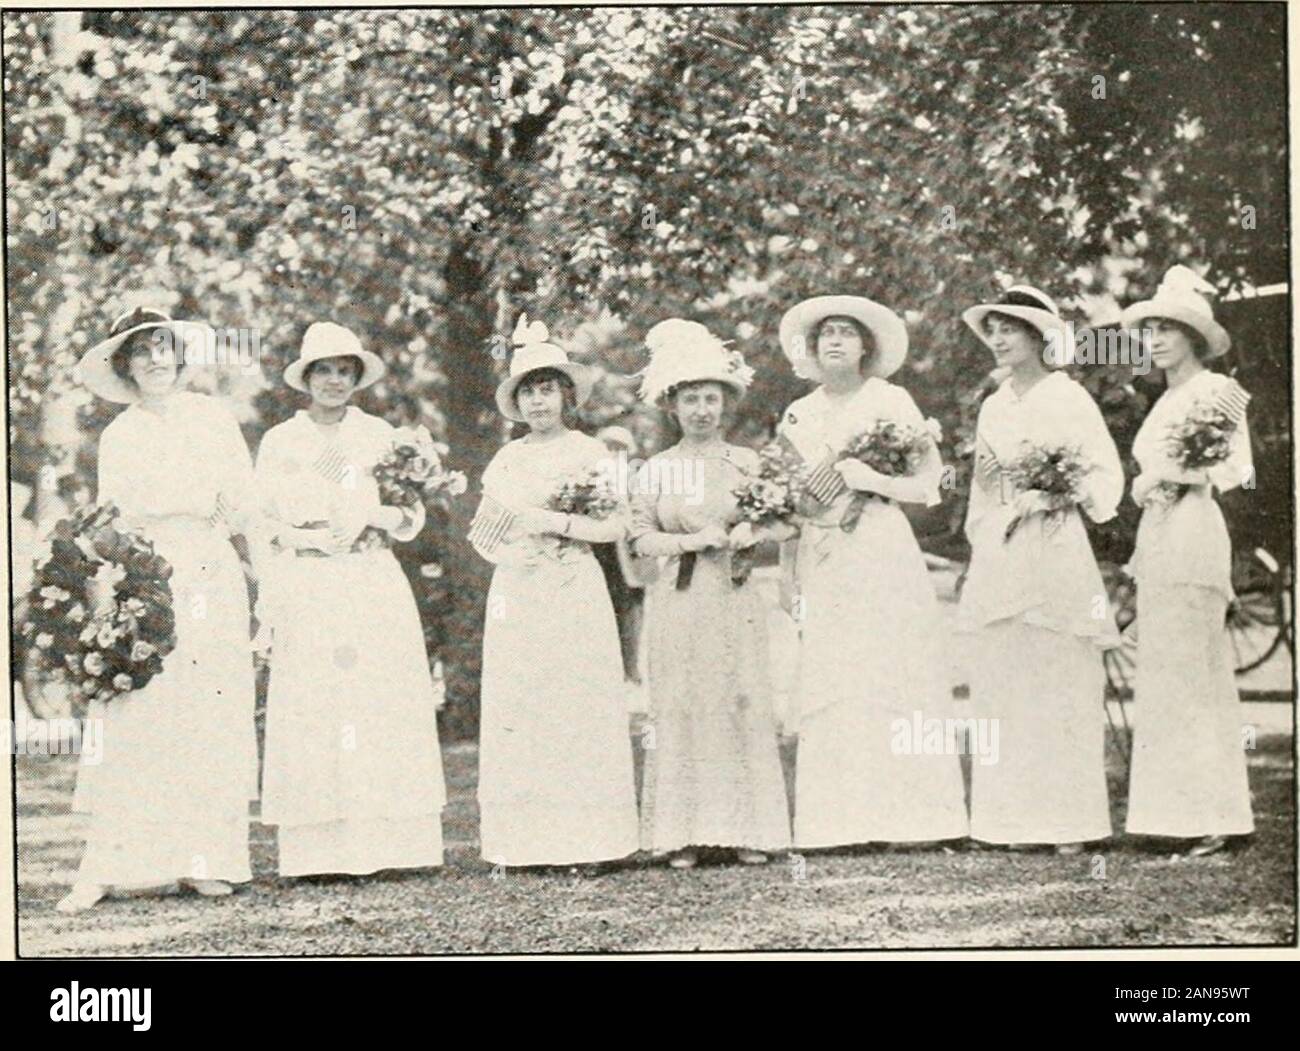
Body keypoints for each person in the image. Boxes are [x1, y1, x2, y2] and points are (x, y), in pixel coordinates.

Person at [58, 307, 266, 913]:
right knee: (143, 707)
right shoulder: (120, 434)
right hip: (147, 574)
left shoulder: (213, 417)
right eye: (141, 350)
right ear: (125, 364)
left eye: (163, 347)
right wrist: (112, 588)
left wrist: (263, 581)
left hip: (210, 568)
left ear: (180, 357)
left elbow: (243, 504)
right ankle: (117, 862)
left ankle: (206, 858)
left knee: (209, 708)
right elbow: (110, 520)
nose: (155, 359)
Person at [256, 321, 447, 877]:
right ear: (306, 378)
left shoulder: (381, 436)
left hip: (369, 577)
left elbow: (412, 515)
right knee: (318, 703)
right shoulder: (281, 441)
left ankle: (391, 847)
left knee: (375, 700)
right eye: (324, 371)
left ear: (357, 378)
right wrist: (307, 537)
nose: (334, 381)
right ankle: (320, 853)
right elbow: (262, 519)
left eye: (344, 371)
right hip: (312, 582)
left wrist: (371, 514)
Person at [777, 295, 967, 849]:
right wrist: (789, 574)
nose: (834, 341)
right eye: (825, 334)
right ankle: (839, 823)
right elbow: (790, 499)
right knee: (835, 672)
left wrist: (874, 480)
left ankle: (915, 820)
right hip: (823, 548)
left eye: (846, 333)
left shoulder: (891, 399)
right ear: (812, 349)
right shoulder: (799, 413)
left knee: (892, 666)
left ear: (866, 346)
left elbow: (931, 483)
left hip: (881, 543)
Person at [958, 285, 1122, 853]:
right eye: (994, 330)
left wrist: (1058, 496)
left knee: (1061, 679)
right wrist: (988, 533)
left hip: (1055, 547)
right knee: (1006, 680)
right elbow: (983, 489)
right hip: (1005, 547)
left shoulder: (1069, 397)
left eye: (1011, 329)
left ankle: (1069, 824)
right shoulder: (993, 405)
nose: (999, 340)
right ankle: (1011, 822)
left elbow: (1103, 474)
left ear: (1037, 336)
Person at [471, 316, 639, 868]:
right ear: (516, 402)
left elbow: (615, 527)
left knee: (578, 704)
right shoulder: (506, 459)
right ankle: (526, 842)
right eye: (528, 392)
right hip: (521, 589)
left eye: (547, 389)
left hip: (574, 584)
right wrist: (517, 551)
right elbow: (487, 534)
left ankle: (591, 842)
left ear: (566, 396)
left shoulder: (590, 454)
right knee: (525, 703)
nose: (538, 402)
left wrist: (556, 526)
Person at [630, 318, 792, 869]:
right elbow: (640, 539)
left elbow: (781, 522)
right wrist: (691, 539)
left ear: (725, 403)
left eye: (711, 398)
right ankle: (683, 834)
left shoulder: (745, 463)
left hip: (733, 596)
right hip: (680, 600)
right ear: (672, 406)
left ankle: (747, 829)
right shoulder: (657, 469)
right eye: (691, 399)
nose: (703, 410)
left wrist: (754, 531)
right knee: (683, 702)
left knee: (738, 697)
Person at [1120, 266, 1255, 857]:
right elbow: (1150, 474)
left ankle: (1215, 816)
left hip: (1195, 531)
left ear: (1193, 337)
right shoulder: (1166, 399)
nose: (1156, 341)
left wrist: (1173, 476)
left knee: (1195, 673)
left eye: (1168, 330)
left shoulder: (1218, 390)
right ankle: (1170, 815)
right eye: (1150, 331)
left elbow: (1236, 469)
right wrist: (1144, 488)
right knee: (1164, 672)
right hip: (1159, 534)